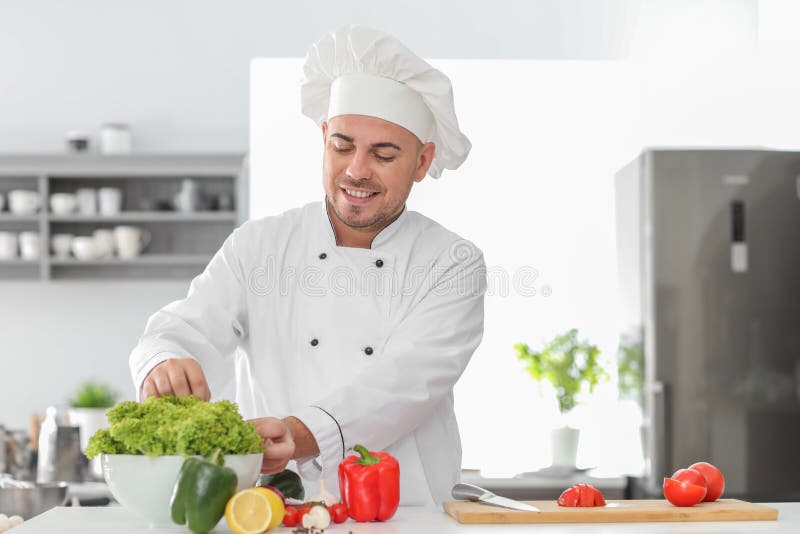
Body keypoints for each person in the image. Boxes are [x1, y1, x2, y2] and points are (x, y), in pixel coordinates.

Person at [129, 25, 486, 506]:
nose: (357, 170)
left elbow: (407, 383)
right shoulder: (258, 246)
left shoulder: (451, 262)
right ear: (323, 137)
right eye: (342, 146)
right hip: (280, 504)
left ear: (422, 162)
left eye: (384, 154)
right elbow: (180, 328)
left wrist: (302, 432)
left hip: (407, 507)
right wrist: (163, 362)